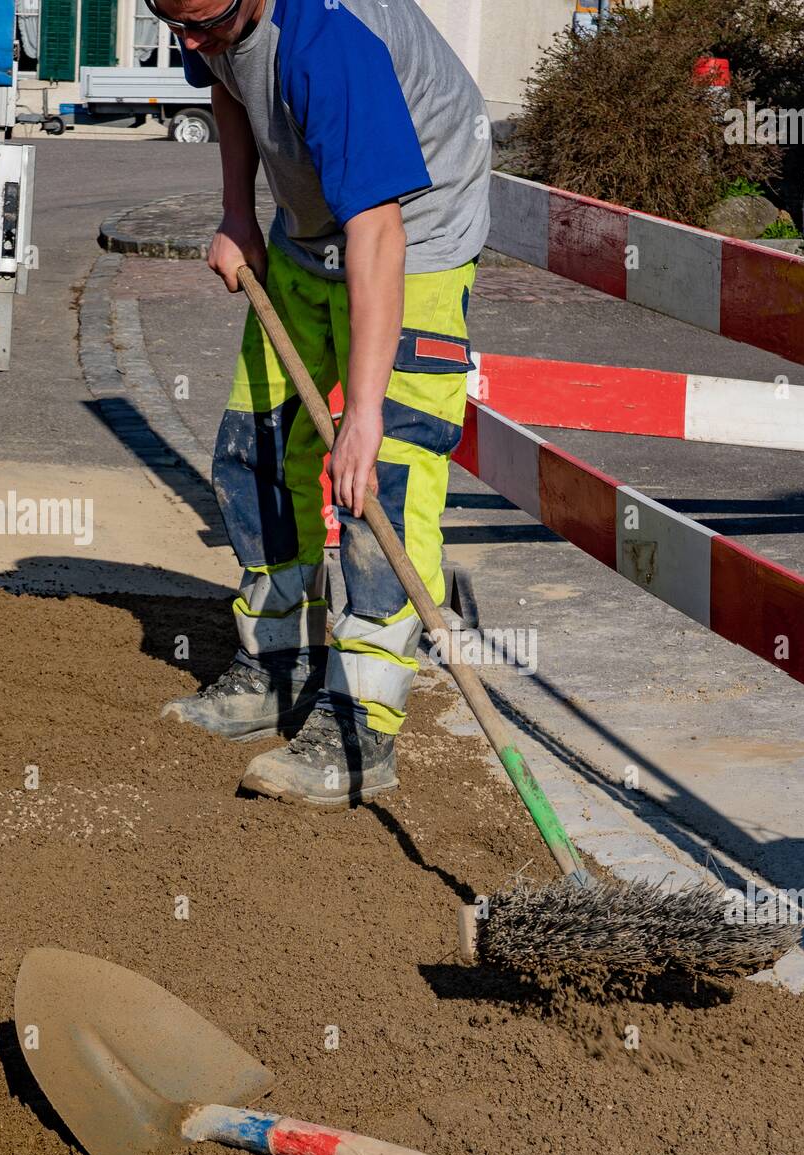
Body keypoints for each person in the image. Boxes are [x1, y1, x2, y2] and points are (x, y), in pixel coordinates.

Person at [155, 0, 491, 806]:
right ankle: (276, 666)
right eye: (174, 25)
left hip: (414, 238)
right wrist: (239, 212)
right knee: (259, 442)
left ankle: (358, 727)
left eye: (203, 23)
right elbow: (228, 84)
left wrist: (364, 416)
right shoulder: (213, 18)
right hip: (311, 236)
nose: (190, 45)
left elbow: (381, 234)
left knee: (383, 483)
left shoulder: (330, 45)